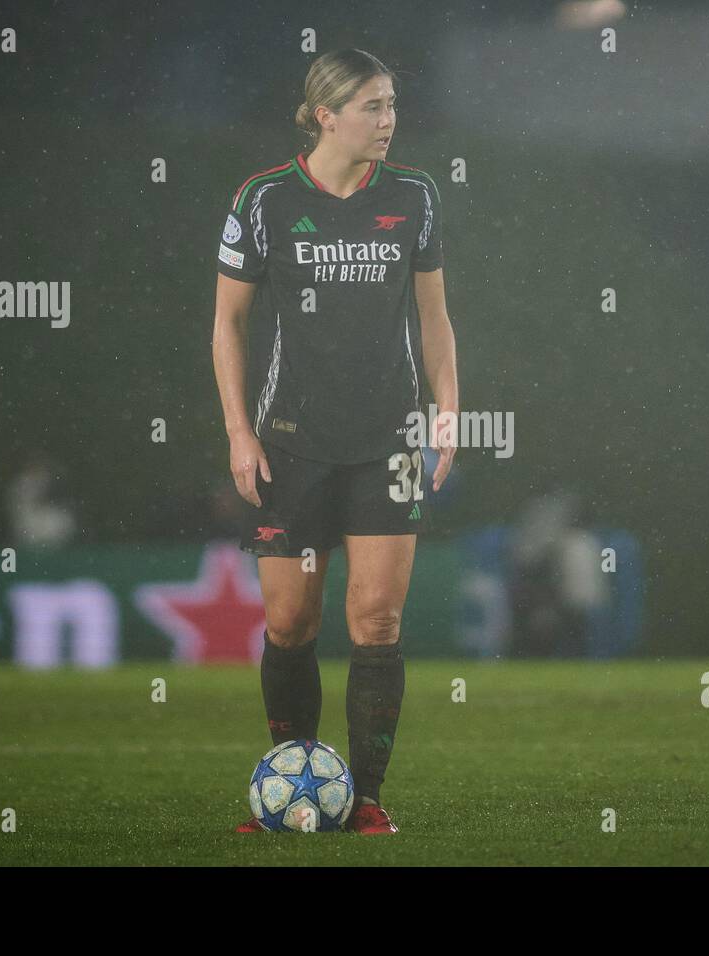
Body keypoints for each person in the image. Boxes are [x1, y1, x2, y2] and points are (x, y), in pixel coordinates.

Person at [212, 49, 458, 834]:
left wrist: (447, 411)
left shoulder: (414, 196)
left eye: (392, 106)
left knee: (377, 622)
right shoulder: (264, 199)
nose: (388, 121)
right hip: (291, 445)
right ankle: (296, 776)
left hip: (386, 441)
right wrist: (238, 431)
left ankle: (370, 797)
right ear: (326, 114)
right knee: (290, 624)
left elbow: (434, 317)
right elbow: (229, 323)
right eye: (373, 107)